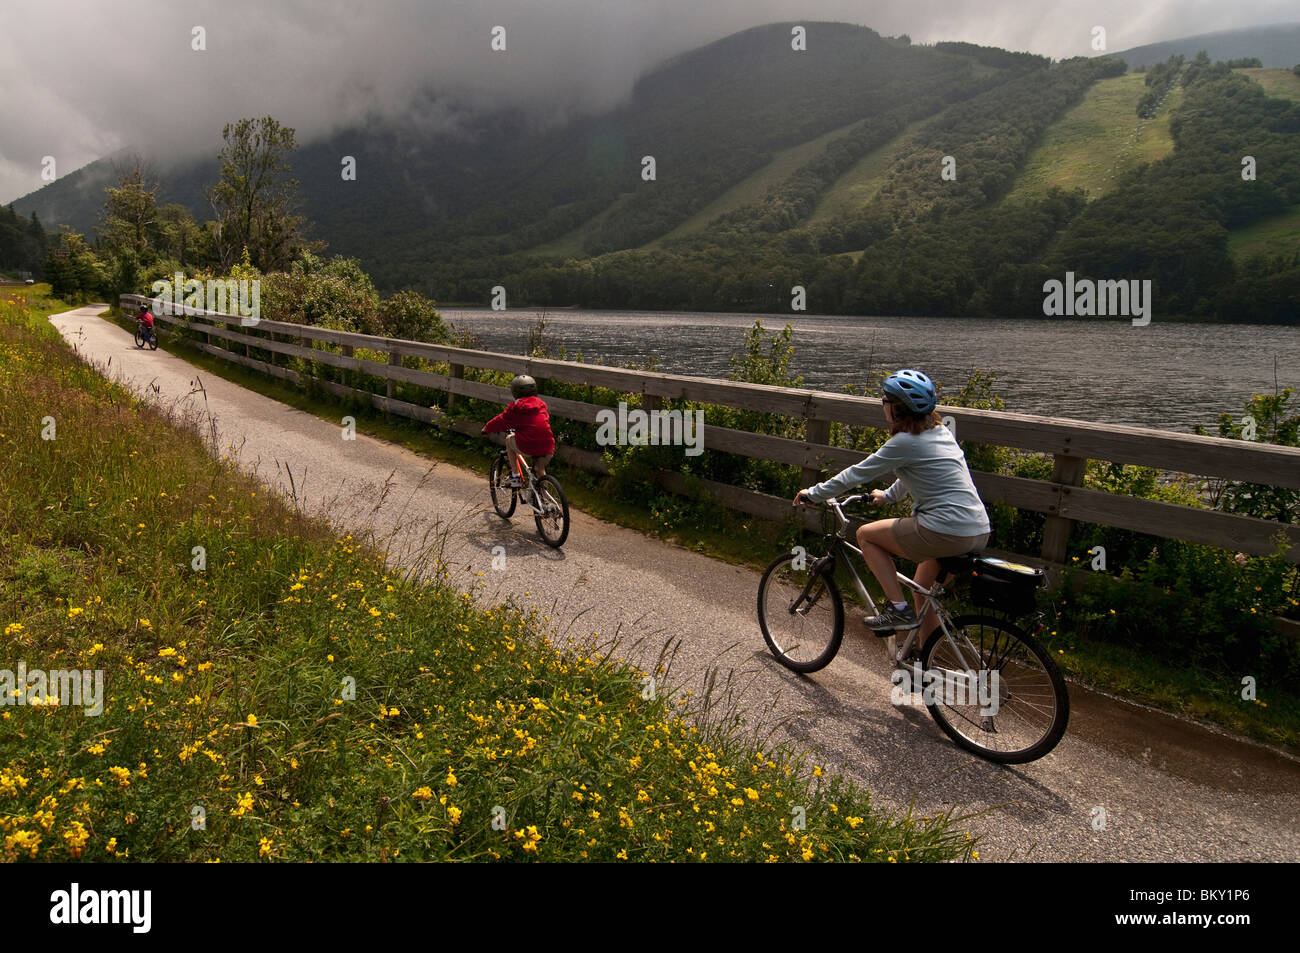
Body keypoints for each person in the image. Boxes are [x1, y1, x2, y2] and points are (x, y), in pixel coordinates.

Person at [794, 369, 990, 635]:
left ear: (896, 409)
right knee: (921, 586)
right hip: (977, 530)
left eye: (884, 400)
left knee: (866, 535)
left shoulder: (904, 442)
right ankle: (927, 666)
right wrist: (887, 496)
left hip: (945, 529)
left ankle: (898, 610)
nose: (882, 404)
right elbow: (916, 474)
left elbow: (856, 473)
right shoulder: (940, 433)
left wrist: (813, 493)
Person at [482, 375, 556, 488]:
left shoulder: (517, 408)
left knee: (508, 440)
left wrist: (487, 428)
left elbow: (501, 420)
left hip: (528, 444)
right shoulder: (541, 405)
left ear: (514, 391)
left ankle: (515, 477)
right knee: (539, 468)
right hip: (548, 445)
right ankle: (545, 499)